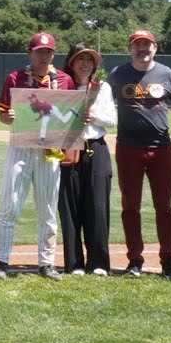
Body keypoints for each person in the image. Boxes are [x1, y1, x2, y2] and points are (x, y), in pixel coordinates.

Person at [0, 32, 76, 280]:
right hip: (21, 146)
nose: (43, 55)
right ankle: (2, 261)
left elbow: (69, 117)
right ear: (29, 53)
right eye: (39, 51)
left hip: (49, 151)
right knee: (10, 205)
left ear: (54, 54)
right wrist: (8, 118)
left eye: (48, 51)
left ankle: (46, 262)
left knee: (48, 209)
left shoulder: (63, 80)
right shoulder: (15, 78)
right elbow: (3, 115)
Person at [108, 29, 171, 279]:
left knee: (164, 206)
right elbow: (100, 102)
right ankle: (135, 260)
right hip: (128, 147)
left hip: (161, 148)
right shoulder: (118, 74)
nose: (143, 49)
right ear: (130, 48)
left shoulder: (166, 73)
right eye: (137, 45)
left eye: (147, 45)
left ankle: (168, 260)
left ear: (155, 47)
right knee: (131, 206)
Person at [58, 43, 115, 276]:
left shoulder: (102, 88)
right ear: (71, 62)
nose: (85, 64)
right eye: (80, 59)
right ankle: (74, 263)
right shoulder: (62, 87)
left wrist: (95, 117)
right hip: (68, 148)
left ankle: (99, 262)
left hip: (96, 147)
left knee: (98, 207)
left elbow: (112, 120)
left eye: (89, 60)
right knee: (70, 208)